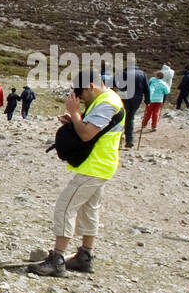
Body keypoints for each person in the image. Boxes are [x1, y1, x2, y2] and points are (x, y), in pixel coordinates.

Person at [31, 68, 124, 276]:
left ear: (90, 87)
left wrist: (74, 113)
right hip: (101, 165)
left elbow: (86, 134)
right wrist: (74, 119)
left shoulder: (106, 103)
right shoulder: (109, 99)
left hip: (95, 166)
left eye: (80, 94)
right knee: (89, 208)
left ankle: (57, 259)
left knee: (65, 207)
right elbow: (93, 128)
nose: (80, 99)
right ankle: (84, 256)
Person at [114, 64, 149, 149]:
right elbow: (146, 88)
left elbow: (118, 85)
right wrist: (147, 100)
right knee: (130, 118)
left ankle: (118, 141)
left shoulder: (124, 73)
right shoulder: (142, 74)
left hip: (125, 98)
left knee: (121, 118)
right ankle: (129, 141)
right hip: (137, 99)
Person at [141, 65, 172, 132]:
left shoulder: (153, 82)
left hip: (152, 100)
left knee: (148, 113)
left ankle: (144, 124)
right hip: (159, 100)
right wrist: (162, 92)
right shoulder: (163, 84)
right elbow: (167, 91)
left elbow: (151, 90)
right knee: (156, 113)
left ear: (156, 76)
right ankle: (154, 126)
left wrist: (149, 98)